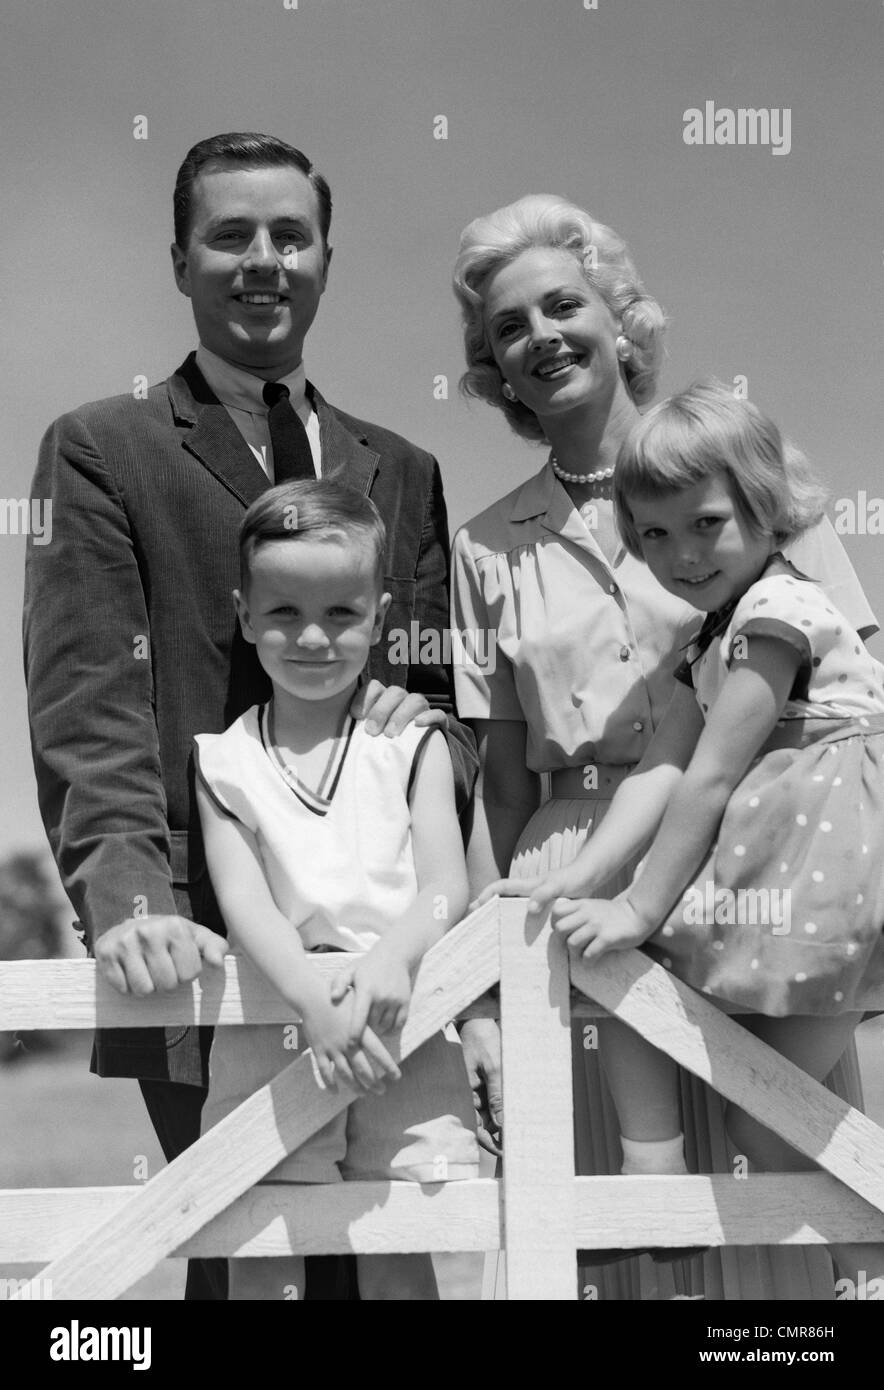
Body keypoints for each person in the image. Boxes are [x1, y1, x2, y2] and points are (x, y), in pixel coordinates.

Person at [22, 132, 477, 1300]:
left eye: (290, 235)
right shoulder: (101, 447)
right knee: (255, 1277)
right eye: (230, 235)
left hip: (386, 959)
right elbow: (88, 699)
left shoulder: (404, 467)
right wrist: (129, 903)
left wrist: (419, 932)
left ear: (326, 258)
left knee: (396, 1273)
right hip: (204, 953)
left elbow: (437, 712)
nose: (262, 259)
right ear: (179, 259)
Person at [452, 194, 877, 1300]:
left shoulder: (742, 464)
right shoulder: (483, 542)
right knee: (605, 1236)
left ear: (619, 318)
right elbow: (498, 775)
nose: (539, 337)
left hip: (753, 868)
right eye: (509, 327)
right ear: (492, 367)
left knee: (777, 1175)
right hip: (572, 888)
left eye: (562, 304)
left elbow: (851, 699)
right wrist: (484, 980)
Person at [531, 380, 884, 1296]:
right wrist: (584, 877)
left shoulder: (783, 614)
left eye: (706, 525)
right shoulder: (707, 637)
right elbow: (658, 772)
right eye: (653, 534)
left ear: (769, 512)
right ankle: (674, 1181)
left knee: (660, 992)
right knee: (766, 1116)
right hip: (789, 884)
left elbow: (713, 774)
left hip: (829, 884)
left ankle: (675, 1180)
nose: (679, 554)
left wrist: (642, 903)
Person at [194, 479, 479, 1300]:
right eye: (282, 613)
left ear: (381, 617)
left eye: (341, 615)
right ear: (245, 617)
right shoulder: (222, 762)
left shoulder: (414, 742)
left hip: (407, 1020)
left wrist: (395, 957)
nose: (312, 637)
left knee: (401, 1245)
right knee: (264, 1246)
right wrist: (313, 1006)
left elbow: (443, 883)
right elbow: (244, 903)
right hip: (275, 1025)